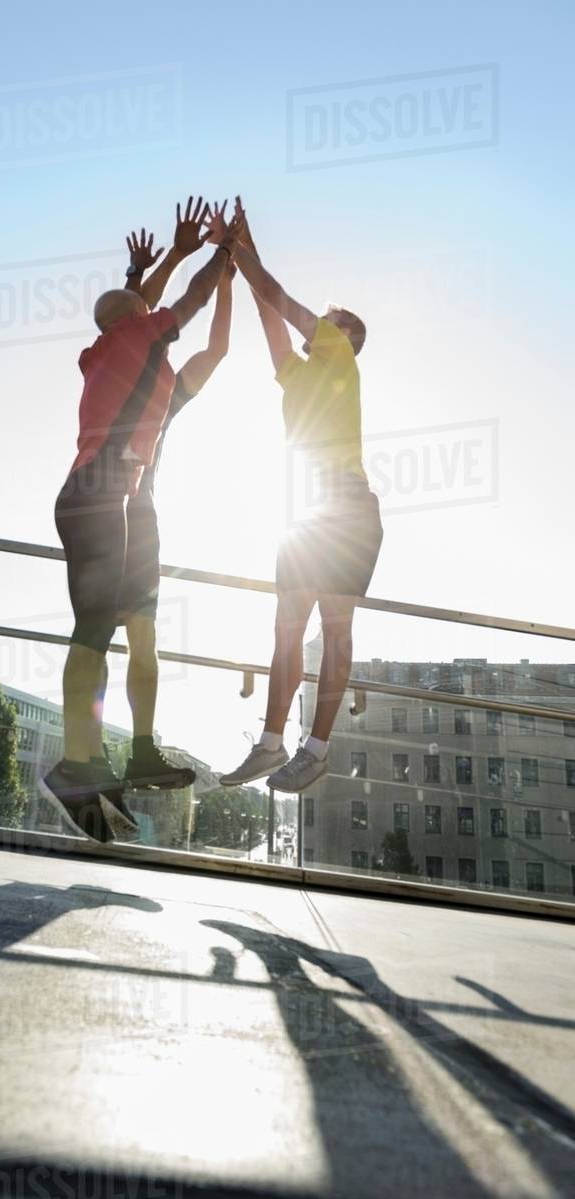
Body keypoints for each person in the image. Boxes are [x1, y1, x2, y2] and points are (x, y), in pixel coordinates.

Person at [41, 202, 243, 842]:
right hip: (102, 493)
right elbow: (184, 302)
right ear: (137, 318)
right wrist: (223, 253)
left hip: (98, 493)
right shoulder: (137, 333)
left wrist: (152, 265)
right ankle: (77, 763)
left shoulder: (103, 349)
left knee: (109, 629)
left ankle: (99, 760)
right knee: (96, 629)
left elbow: (136, 305)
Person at [213, 200, 383, 793]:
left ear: (343, 333)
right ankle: (270, 742)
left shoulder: (336, 350)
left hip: (348, 508)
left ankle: (318, 747)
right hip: (309, 511)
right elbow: (269, 307)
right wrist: (243, 240)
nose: (321, 317)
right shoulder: (296, 371)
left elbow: (277, 293)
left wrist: (239, 249)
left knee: (334, 629)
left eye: (330, 314)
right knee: (286, 628)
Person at [116, 222, 237, 805]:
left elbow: (215, 351)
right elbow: (137, 315)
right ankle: (109, 755)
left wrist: (225, 277)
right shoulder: (124, 353)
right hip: (123, 507)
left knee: (136, 634)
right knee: (121, 632)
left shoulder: (163, 388)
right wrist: (200, 261)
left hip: (132, 512)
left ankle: (135, 753)